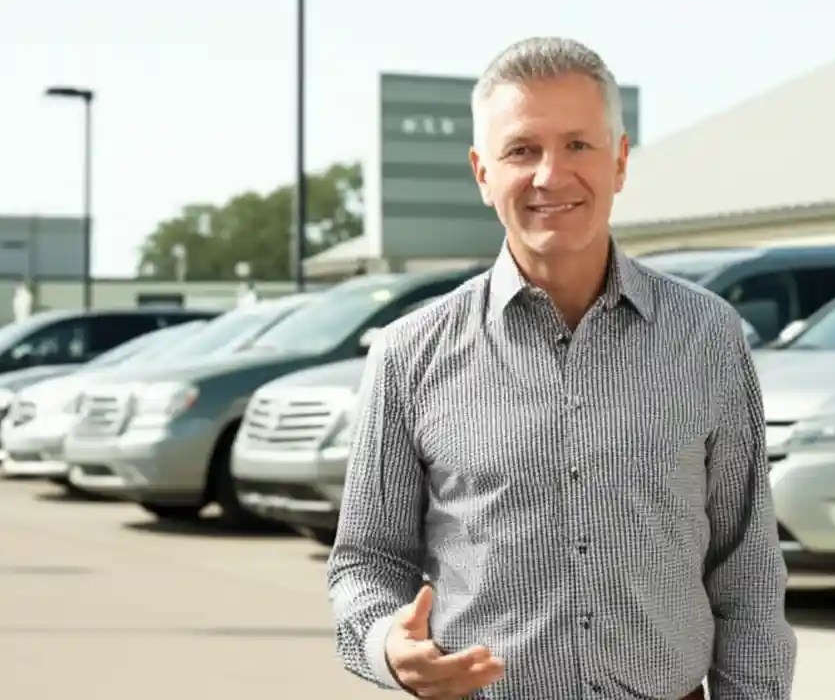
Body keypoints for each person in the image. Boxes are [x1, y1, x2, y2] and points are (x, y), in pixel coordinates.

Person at [327, 36, 796, 699]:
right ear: (481, 172)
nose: (551, 175)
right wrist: (386, 645)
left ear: (621, 161)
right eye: (522, 150)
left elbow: (745, 569)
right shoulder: (409, 353)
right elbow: (365, 561)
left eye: (578, 144)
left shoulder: (707, 336)